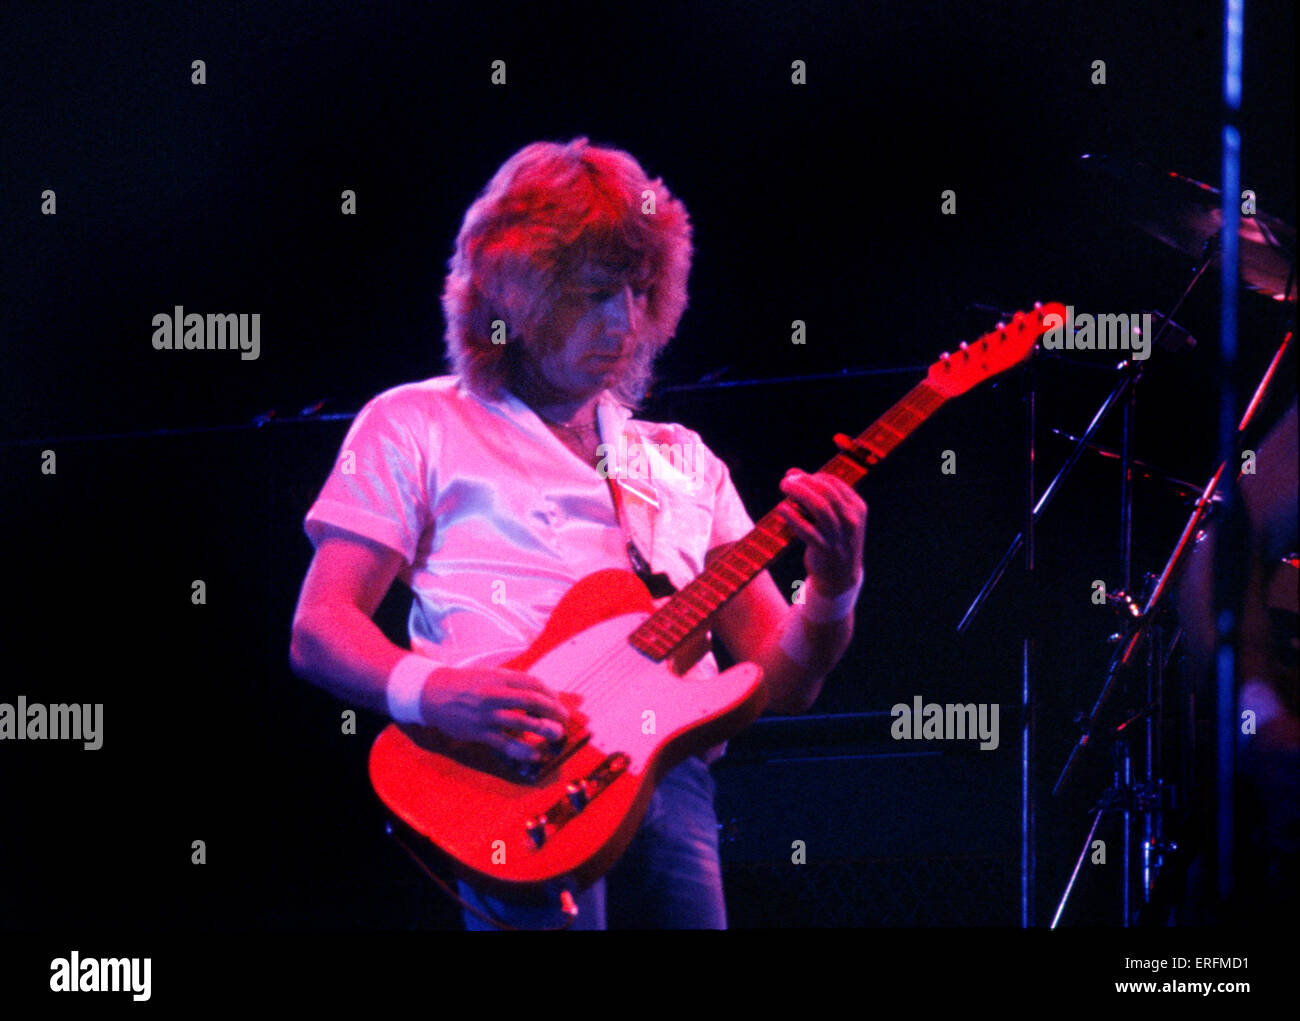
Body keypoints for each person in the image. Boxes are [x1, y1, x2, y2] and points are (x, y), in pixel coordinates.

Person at [289, 137, 867, 929]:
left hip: (675, 785)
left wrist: (833, 586)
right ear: (517, 296)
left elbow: (786, 679)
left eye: (637, 291)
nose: (623, 322)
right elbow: (320, 626)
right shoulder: (416, 422)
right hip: (508, 779)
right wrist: (435, 692)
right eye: (595, 292)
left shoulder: (681, 461)